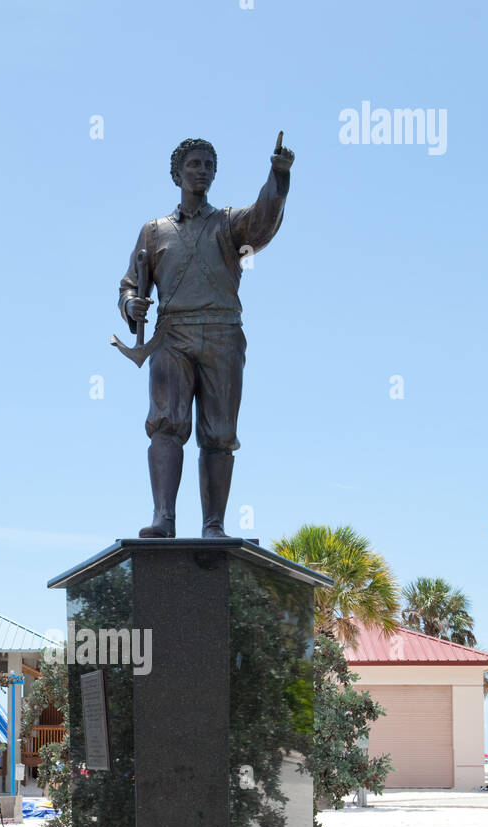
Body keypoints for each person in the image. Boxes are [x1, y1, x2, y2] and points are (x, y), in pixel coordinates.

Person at [118, 134, 294, 539]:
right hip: (171, 335)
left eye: (208, 165)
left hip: (222, 333)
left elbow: (263, 221)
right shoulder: (153, 231)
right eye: (194, 164)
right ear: (177, 173)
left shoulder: (229, 225)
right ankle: (164, 518)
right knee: (165, 425)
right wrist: (131, 305)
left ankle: (213, 525)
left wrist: (278, 177)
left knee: (218, 433)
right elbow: (130, 284)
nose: (202, 171)